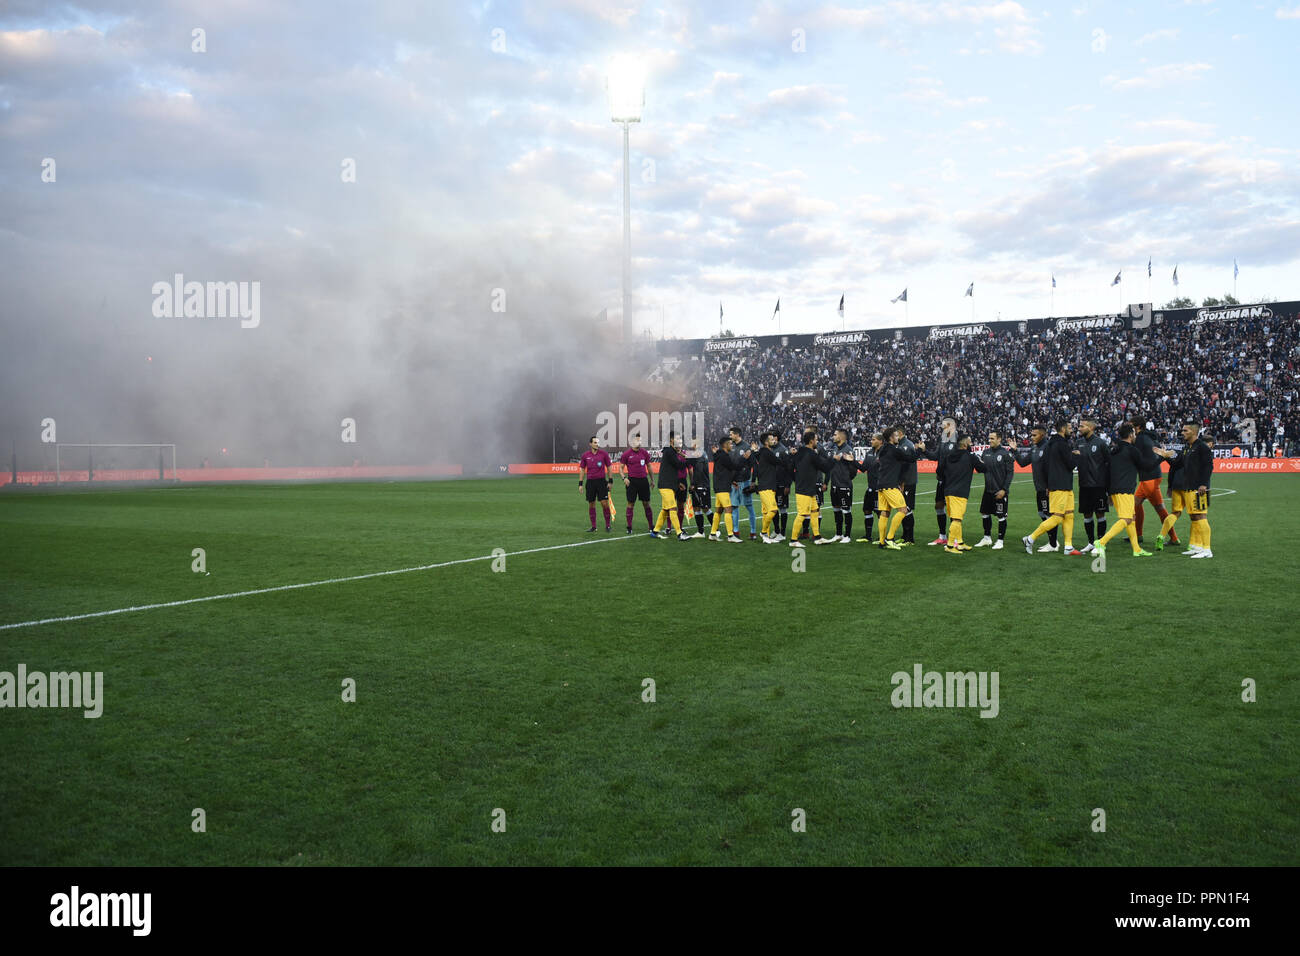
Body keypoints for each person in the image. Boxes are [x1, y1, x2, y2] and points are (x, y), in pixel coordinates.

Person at [1092, 422, 1156, 558]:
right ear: (1131, 434)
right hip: (1125, 489)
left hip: (1115, 490)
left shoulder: (1114, 450)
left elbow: (1107, 472)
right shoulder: (1132, 450)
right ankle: (1101, 542)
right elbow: (1147, 466)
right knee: (1126, 519)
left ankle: (1137, 549)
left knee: (1131, 518)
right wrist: (1162, 457)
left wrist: (1108, 492)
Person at [1022, 419, 1083, 556]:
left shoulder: (1050, 444)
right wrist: (1076, 456)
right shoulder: (1061, 444)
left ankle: (1068, 547)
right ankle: (1030, 539)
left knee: (1069, 515)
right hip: (1060, 485)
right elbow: (1070, 464)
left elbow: (1045, 466)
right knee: (1057, 517)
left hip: (1062, 485)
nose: (1071, 430)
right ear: (1062, 429)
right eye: (1069, 427)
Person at [1162, 421, 1214, 558]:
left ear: (1194, 432)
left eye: (1185, 431)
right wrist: (1165, 455)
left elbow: (1208, 466)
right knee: (1194, 517)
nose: (1182, 433)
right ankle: (1197, 546)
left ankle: (1207, 549)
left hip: (1199, 488)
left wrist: (1204, 484)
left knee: (1200, 516)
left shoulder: (1202, 447)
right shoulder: (1187, 447)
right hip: (1188, 487)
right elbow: (1178, 463)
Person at [875, 426, 925, 551]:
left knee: (884, 513)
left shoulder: (882, 449)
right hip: (890, 485)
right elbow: (910, 459)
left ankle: (882, 542)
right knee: (903, 509)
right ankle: (890, 538)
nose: (898, 437)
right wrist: (920, 450)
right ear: (891, 438)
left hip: (881, 485)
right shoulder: (894, 450)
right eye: (896, 436)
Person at [1011, 425, 1059, 552]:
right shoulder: (1034, 448)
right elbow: (1022, 463)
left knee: (1049, 516)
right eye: (1031, 435)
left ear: (1042, 435)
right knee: (1042, 514)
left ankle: (1053, 544)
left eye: (1034, 435)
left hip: (1046, 489)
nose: (1031, 437)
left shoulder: (1048, 447)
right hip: (1038, 488)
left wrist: (1049, 486)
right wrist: (1015, 450)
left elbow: (1052, 468)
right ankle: (1053, 541)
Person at [1132, 416, 1174, 545]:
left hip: (1148, 478)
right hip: (1155, 475)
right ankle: (1174, 538)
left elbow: (1137, 458)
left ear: (1137, 427)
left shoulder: (1139, 439)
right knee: (1158, 508)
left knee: (1135, 505)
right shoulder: (1150, 437)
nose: (1131, 429)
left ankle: (1137, 535)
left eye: (1132, 426)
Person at [788, 429, 833, 547]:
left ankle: (817, 537)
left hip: (805, 488)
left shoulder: (798, 453)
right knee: (802, 514)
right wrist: (834, 459)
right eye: (816, 440)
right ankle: (793, 540)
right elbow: (825, 467)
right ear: (812, 441)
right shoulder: (812, 454)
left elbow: (790, 468)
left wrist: (797, 480)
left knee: (815, 511)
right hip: (805, 490)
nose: (817, 442)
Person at [940, 434, 984, 554]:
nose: (971, 444)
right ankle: (949, 546)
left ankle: (959, 543)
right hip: (960, 492)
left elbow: (939, 470)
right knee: (957, 519)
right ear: (965, 445)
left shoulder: (949, 456)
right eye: (970, 442)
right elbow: (982, 468)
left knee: (955, 518)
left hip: (948, 491)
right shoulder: (970, 456)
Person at [1073, 419, 1110, 554]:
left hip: (1099, 485)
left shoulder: (1100, 443)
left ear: (1091, 428)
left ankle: (1100, 544)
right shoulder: (1079, 443)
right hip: (1084, 485)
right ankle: (1090, 543)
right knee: (1087, 514)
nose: (1079, 428)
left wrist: (1108, 485)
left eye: (1082, 426)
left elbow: (1109, 463)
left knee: (1100, 514)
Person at [974, 429, 1015, 549]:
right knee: (985, 513)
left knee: (1001, 516)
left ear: (999, 439)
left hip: (1000, 490)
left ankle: (1000, 541)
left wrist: (1004, 489)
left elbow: (1010, 473)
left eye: (992, 438)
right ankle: (987, 538)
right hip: (988, 490)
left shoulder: (1005, 454)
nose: (990, 440)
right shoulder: (985, 452)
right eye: (989, 438)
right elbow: (980, 469)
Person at [709, 434, 753, 542]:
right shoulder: (724, 456)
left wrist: (731, 481)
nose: (732, 445)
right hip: (722, 488)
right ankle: (730, 535)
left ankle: (712, 534)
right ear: (725, 445)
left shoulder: (720, 455)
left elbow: (724, 471)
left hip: (719, 486)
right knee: (728, 509)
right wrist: (744, 458)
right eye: (730, 443)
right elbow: (735, 467)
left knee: (718, 511)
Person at [1154, 429, 1191, 552]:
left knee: (1175, 513)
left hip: (1176, 485)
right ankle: (1194, 543)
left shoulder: (1178, 455)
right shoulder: (1194, 453)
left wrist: (1170, 486)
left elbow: (1172, 470)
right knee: (1196, 516)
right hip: (1188, 486)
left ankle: (1162, 535)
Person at [650, 434, 691, 540]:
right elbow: (679, 465)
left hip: (669, 484)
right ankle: (679, 533)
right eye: (678, 439)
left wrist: (678, 483)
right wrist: (687, 459)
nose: (680, 440)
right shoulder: (669, 451)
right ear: (672, 440)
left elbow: (671, 471)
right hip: (666, 485)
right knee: (673, 508)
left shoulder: (671, 452)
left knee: (665, 510)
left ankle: (655, 532)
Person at [929, 416, 959, 546]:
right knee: (939, 505)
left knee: (953, 509)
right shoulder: (942, 440)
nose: (942, 427)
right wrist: (924, 451)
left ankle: (956, 538)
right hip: (941, 479)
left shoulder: (959, 440)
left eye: (945, 425)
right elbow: (936, 456)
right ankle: (942, 536)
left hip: (953, 480)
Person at [618, 432, 654, 534]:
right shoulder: (626, 454)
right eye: (637, 440)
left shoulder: (644, 453)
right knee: (630, 504)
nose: (639, 442)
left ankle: (651, 526)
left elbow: (649, 466)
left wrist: (652, 480)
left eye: (640, 440)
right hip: (632, 482)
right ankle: (629, 527)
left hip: (643, 481)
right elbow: (620, 468)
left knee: (646, 503)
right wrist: (624, 478)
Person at [827, 426, 858, 543]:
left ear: (841, 437)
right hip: (834, 485)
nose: (833, 436)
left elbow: (853, 470)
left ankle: (847, 535)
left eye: (835, 435)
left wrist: (846, 479)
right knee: (836, 510)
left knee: (846, 510)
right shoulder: (835, 449)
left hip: (844, 485)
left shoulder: (848, 450)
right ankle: (838, 533)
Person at [578, 436, 615, 532]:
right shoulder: (585, 455)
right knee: (591, 504)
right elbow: (582, 470)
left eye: (598, 442)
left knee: (604, 504)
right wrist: (580, 484)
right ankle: (594, 526)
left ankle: (607, 525)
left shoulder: (604, 454)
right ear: (590, 444)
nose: (597, 444)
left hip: (601, 482)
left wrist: (610, 481)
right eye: (595, 442)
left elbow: (609, 467)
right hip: (590, 483)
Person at [729, 426, 759, 540]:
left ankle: (753, 532)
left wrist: (753, 480)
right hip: (734, 482)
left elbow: (754, 465)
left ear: (737, 434)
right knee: (734, 507)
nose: (730, 436)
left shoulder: (746, 447)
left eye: (731, 434)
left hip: (745, 481)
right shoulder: (730, 447)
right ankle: (735, 531)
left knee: (749, 507)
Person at [754, 431, 784, 543]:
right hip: (766, 486)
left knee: (766, 512)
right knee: (773, 510)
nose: (774, 441)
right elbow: (779, 461)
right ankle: (763, 532)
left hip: (764, 485)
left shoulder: (762, 452)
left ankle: (766, 537)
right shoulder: (767, 452)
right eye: (772, 439)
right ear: (766, 442)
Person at [856, 432, 884, 543]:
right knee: (867, 510)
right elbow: (863, 468)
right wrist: (853, 461)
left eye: (873, 439)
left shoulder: (884, 453)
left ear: (880, 441)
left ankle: (882, 537)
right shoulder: (869, 453)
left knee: (879, 512)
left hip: (880, 488)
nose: (871, 441)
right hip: (870, 488)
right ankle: (868, 536)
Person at [896, 426, 921, 545]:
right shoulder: (903, 444)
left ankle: (910, 539)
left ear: (899, 433)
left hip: (907, 482)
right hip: (905, 481)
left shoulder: (905, 445)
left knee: (907, 509)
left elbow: (905, 465)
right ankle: (904, 535)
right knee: (903, 509)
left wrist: (902, 482)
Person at [686, 440, 712, 538]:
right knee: (697, 508)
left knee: (705, 508)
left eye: (692, 443)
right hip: (699, 485)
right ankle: (701, 532)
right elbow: (688, 460)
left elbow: (699, 472)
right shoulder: (697, 454)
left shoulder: (701, 454)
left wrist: (693, 484)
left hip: (702, 485)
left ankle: (716, 530)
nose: (690, 444)